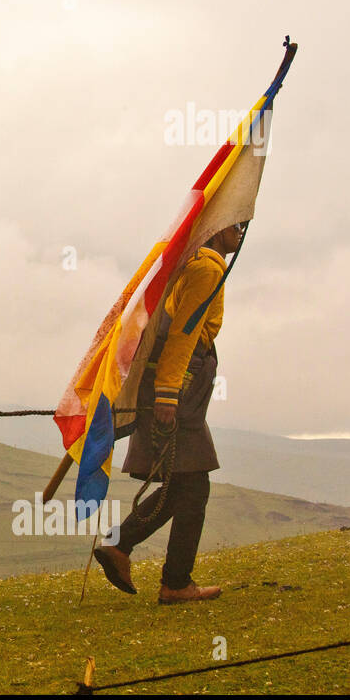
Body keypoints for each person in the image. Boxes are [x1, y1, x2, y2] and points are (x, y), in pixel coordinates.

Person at [93, 221, 245, 604]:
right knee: (192, 483)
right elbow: (184, 333)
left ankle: (123, 548)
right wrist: (167, 394)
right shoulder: (207, 266)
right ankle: (173, 582)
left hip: (174, 379)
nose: (240, 231)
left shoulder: (192, 262)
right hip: (178, 382)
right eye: (235, 224)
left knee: (186, 483)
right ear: (216, 228)